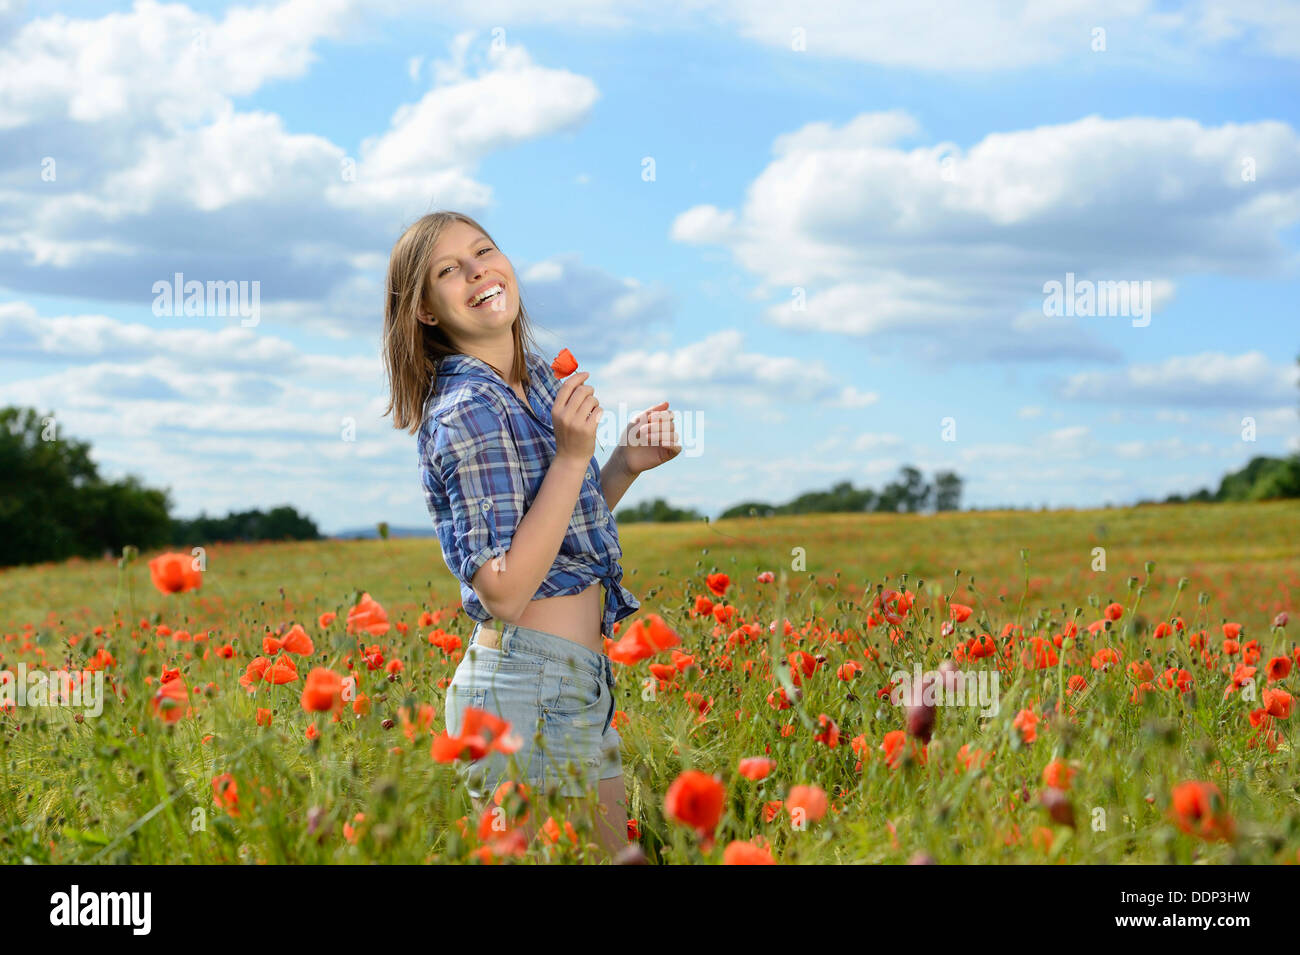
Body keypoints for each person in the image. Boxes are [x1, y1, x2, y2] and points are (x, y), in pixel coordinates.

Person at [381, 211, 681, 860]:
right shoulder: (470, 411)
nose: (477, 271)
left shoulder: (537, 381)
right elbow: (506, 590)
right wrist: (573, 456)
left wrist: (623, 461)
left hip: (574, 678)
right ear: (427, 312)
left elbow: (556, 543)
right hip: (523, 686)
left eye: (483, 251)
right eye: (448, 271)